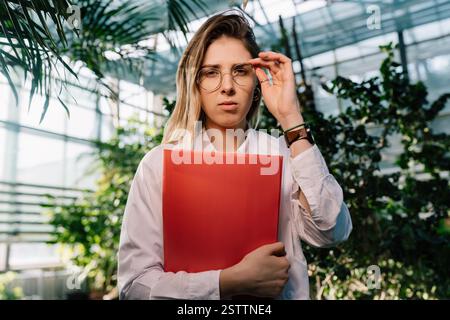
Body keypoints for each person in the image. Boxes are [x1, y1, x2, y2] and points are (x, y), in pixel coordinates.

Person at [118, 10, 352, 300]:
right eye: (211, 72)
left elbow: (331, 230)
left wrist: (291, 117)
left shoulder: (285, 152)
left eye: (240, 71)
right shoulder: (159, 165)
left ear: (256, 83)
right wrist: (226, 282)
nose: (227, 86)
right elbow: (134, 287)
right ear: (196, 84)